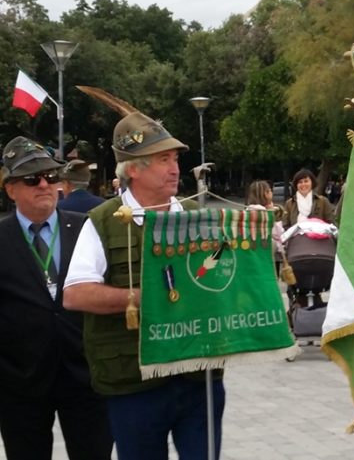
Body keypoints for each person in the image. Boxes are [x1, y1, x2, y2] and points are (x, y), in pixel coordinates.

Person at [62, 112, 225, 460]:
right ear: (133, 169)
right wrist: (148, 297)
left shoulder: (198, 214)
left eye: (176, 158)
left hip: (199, 377)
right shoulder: (103, 221)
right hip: (134, 383)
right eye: (163, 160)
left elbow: (224, 278)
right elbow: (75, 294)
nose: (175, 168)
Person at [0, 137, 112, 460]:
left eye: (51, 177)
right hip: (21, 385)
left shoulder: (86, 230)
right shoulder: (2, 240)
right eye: (32, 179)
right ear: (10, 189)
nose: (44, 185)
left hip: (86, 379)